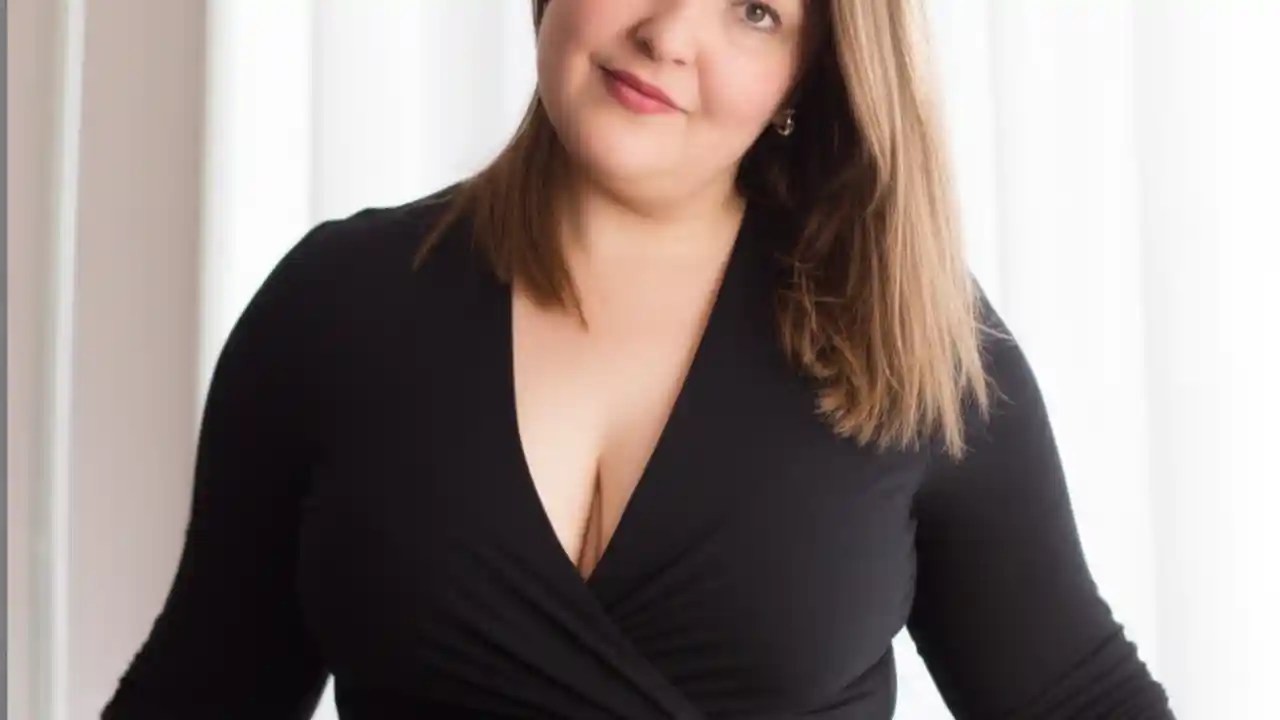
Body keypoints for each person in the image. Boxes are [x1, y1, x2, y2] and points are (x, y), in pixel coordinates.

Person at [102, 1, 1175, 718]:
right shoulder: (333, 308)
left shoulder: (903, 336)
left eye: (754, 9)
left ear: (806, 74)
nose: (668, 32)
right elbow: (204, 691)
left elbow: (1075, 702)